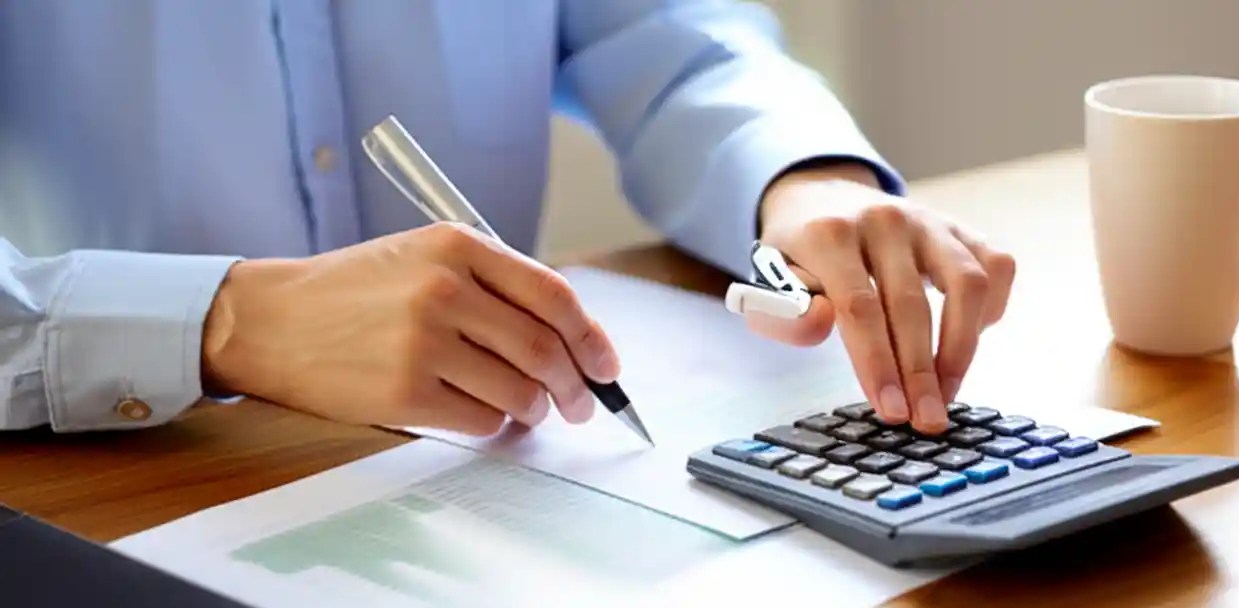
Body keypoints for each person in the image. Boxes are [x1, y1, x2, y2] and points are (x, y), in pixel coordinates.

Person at [0, 1, 1013, 437]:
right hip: (130, 489)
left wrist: (803, 179)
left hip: (474, 472)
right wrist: (226, 323)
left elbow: (666, 32)